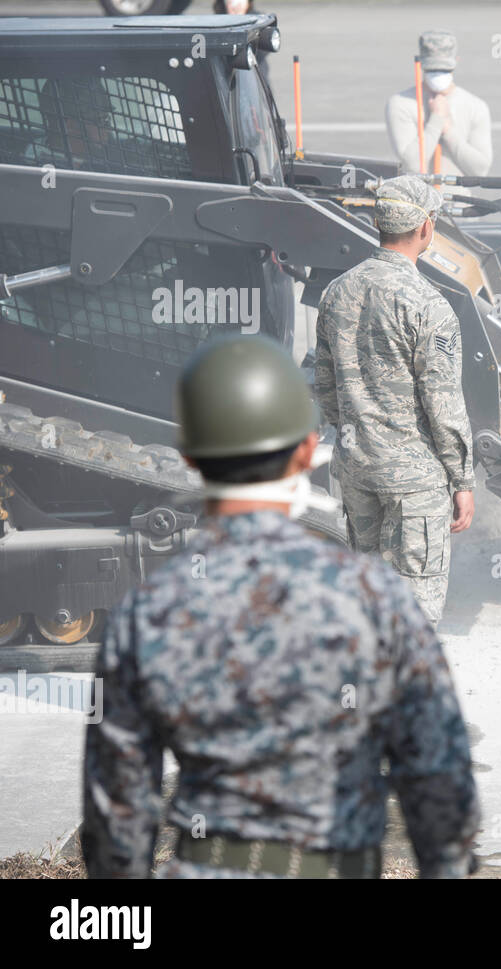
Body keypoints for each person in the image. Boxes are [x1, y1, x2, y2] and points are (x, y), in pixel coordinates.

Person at [82, 335, 480, 878]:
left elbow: (116, 816)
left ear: (190, 458)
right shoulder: (373, 597)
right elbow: (439, 779)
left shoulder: (148, 612)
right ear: (304, 450)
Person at [314, 175, 476, 626]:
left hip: (356, 470)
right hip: (414, 483)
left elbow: (325, 386)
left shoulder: (337, 291)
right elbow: (444, 408)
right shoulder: (429, 305)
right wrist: (463, 481)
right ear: (426, 227)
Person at [385, 30, 493, 177]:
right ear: (420, 63)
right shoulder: (400, 104)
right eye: (432, 69)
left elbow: (480, 170)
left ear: (457, 61)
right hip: (416, 198)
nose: (437, 74)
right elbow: (413, 165)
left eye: (444, 69)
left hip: (459, 199)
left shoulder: (476, 106)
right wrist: (436, 120)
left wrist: (448, 132)